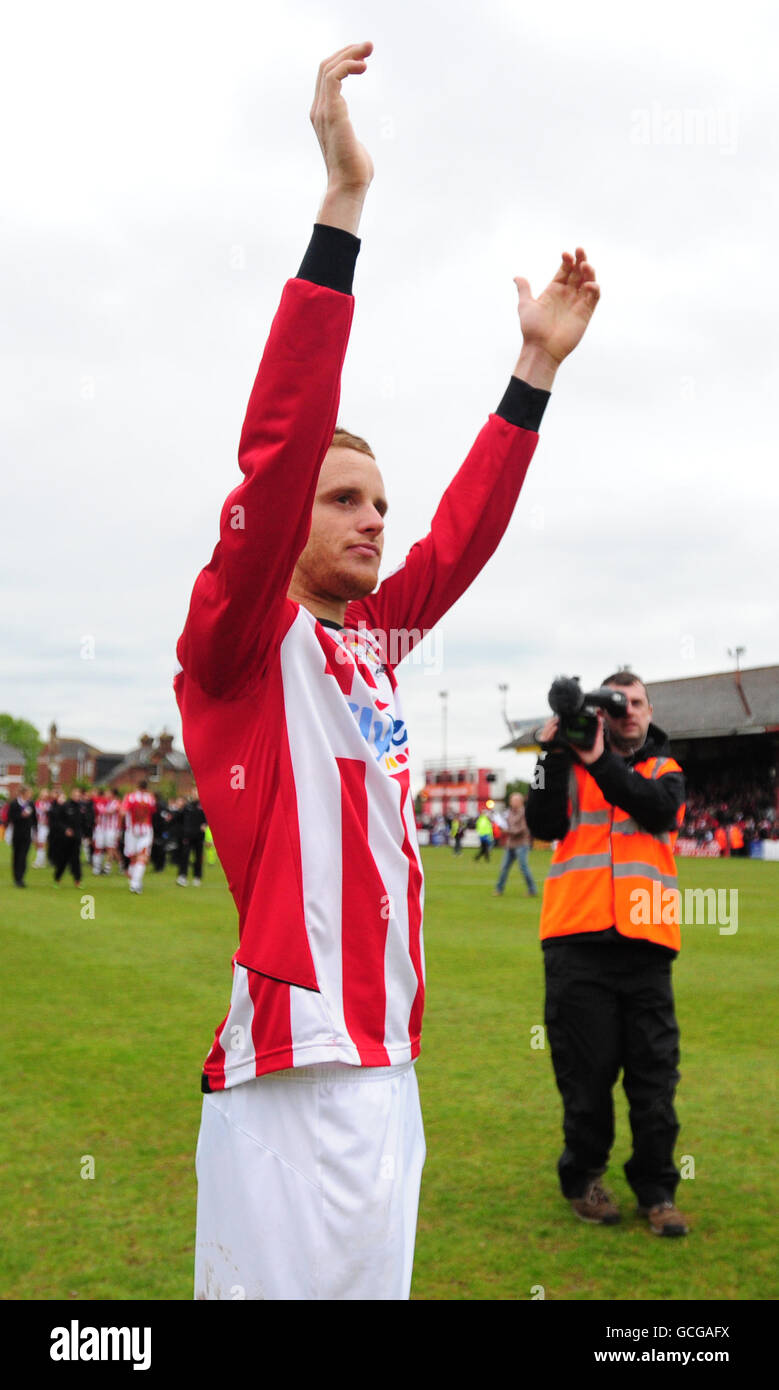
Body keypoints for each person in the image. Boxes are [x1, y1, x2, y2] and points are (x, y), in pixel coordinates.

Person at [174, 41, 600, 1301]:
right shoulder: (241, 642)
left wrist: (532, 369)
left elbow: (460, 535)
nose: (373, 520)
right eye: (344, 498)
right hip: (284, 1073)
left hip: (388, 1070)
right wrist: (342, 206)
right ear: (285, 522)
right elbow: (277, 445)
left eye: (378, 500)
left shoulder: (371, 638)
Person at [526, 670, 689, 1237]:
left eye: (638, 703)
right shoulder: (566, 765)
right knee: (586, 1076)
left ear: (649, 710)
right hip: (577, 940)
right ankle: (584, 1180)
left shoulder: (666, 769)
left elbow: (655, 810)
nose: (630, 714)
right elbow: (543, 824)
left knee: (654, 1079)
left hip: (647, 944)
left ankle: (658, 1191)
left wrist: (596, 759)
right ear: (598, 712)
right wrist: (549, 754)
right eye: (618, 705)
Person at [493, 791, 537, 896]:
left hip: (521, 844)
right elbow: (506, 824)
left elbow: (521, 829)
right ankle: (499, 889)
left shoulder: (525, 813)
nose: (512, 802)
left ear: (520, 802)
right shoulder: (509, 813)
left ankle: (532, 890)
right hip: (510, 844)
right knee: (504, 867)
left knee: (523, 867)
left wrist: (507, 831)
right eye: (512, 800)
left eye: (514, 800)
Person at [122, 781, 156, 895]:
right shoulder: (150, 798)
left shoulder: (129, 797)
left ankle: (134, 883)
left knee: (135, 857)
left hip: (132, 831)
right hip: (146, 831)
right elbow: (153, 811)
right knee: (141, 858)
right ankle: (135, 882)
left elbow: (122, 812)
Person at [53, 789, 83, 886]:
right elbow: (58, 821)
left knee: (76, 859)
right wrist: (65, 829)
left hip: (77, 837)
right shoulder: (65, 806)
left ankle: (77, 880)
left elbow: (84, 822)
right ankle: (57, 878)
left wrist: (86, 834)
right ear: (71, 795)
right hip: (65, 838)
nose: (77, 797)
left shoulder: (81, 807)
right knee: (63, 859)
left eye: (78, 796)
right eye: (75, 795)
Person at [8, 787, 36, 887]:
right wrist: (21, 815)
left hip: (27, 835)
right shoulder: (14, 804)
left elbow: (34, 819)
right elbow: (11, 817)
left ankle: (21, 878)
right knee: (16, 856)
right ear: (23, 793)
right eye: (29, 793)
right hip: (17, 834)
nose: (30, 795)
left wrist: (35, 831)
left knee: (23, 856)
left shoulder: (31, 804)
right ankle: (16, 877)